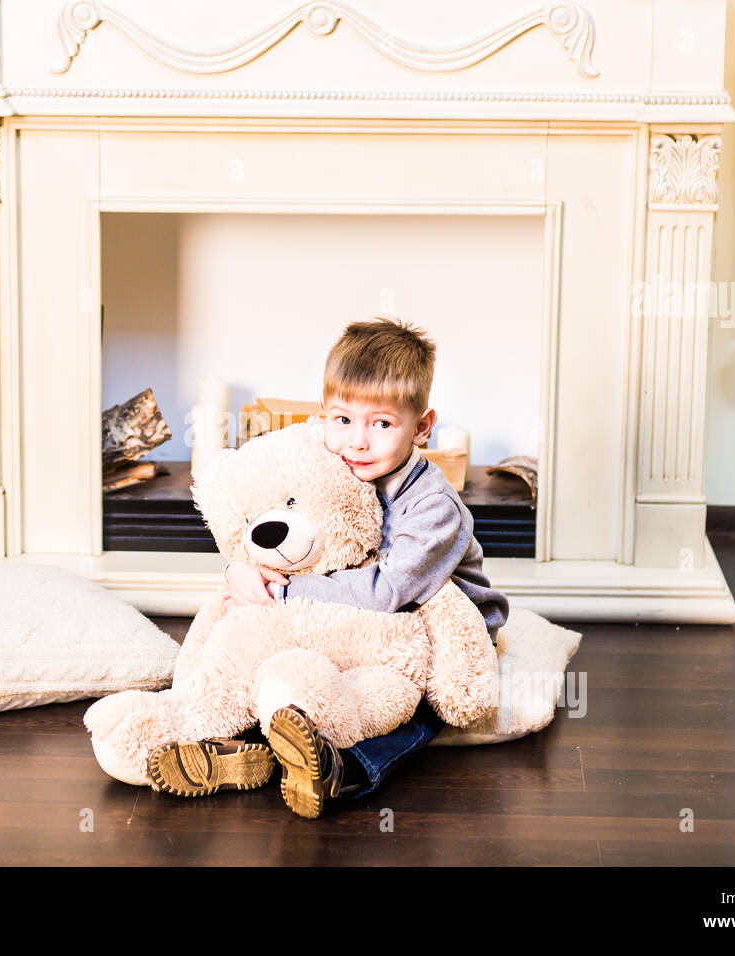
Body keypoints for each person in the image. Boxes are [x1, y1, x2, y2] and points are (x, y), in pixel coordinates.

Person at [149, 317, 510, 818]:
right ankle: (225, 743)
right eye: (343, 420)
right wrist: (240, 570)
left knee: (416, 705)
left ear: (422, 427)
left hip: (434, 623)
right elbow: (278, 523)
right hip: (350, 619)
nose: (357, 442)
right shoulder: (329, 461)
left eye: (382, 424)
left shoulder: (433, 506)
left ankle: (346, 768)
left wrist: (288, 593)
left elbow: (388, 591)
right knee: (278, 665)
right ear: (324, 415)